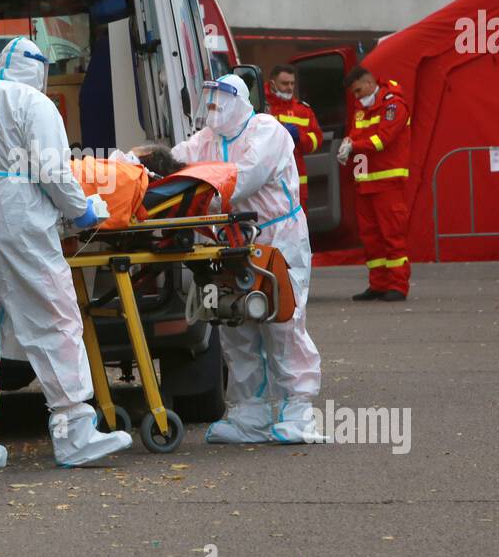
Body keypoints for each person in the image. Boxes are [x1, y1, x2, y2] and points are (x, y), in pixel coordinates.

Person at [0, 36, 132, 471]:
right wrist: (83, 209)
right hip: (14, 213)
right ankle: (74, 429)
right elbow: (53, 170)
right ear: (39, 70)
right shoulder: (34, 103)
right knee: (52, 315)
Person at [171, 74, 325, 444]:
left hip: (277, 237)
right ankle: (249, 413)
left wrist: (191, 188)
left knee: (282, 320)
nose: (213, 109)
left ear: (239, 101)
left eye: (219, 100)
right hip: (233, 240)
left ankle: (298, 410)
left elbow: (241, 180)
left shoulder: (266, 131)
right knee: (236, 322)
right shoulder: (207, 139)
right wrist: (136, 163)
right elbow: (175, 161)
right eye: (208, 100)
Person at [338, 66, 411, 302]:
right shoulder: (361, 109)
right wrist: (347, 145)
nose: (357, 96)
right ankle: (378, 284)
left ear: (369, 83)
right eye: (354, 93)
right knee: (371, 239)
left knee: (392, 236)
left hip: (387, 182)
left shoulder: (393, 105)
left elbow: (383, 140)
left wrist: (354, 146)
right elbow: (356, 136)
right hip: (365, 183)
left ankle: (398, 286)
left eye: (358, 90)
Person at [266, 64, 323, 206]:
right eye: (285, 83)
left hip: (296, 180)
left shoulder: (302, 110)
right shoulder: (261, 106)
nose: (290, 87)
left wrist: (300, 137)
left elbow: (317, 140)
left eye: (292, 83)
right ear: (272, 83)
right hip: (268, 180)